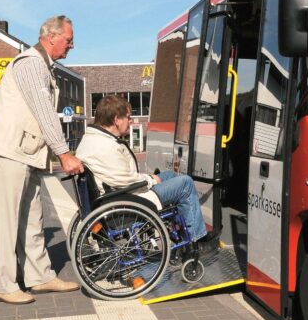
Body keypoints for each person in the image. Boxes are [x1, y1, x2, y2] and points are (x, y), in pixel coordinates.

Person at [0, 15, 83, 305]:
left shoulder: (42, 66)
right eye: (69, 39)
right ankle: (4, 284)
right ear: (51, 37)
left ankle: (40, 277)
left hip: (25, 151)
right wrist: (64, 153)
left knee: (31, 217)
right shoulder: (30, 64)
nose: (72, 45)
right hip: (8, 150)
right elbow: (43, 110)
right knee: (7, 220)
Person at [76, 95, 218, 250]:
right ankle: (197, 238)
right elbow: (125, 180)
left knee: (171, 175)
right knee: (186, 183)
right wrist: (151, 180)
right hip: (128, 200)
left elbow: (119, 177)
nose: (130, 121)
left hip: (114, 196)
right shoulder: (105, 146)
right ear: (116, 120)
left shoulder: (91, 139)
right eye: (128, 118)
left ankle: (184, 231)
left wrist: (151, 178)